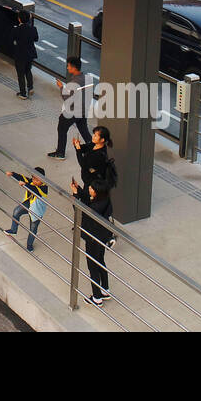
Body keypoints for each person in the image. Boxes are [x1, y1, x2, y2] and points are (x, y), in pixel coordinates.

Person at [74, 126, 117, 248]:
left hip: (95, 186)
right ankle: (84, 225)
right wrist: (78, 146)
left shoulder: (100, 154)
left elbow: (83, 164)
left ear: (102, 140)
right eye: (93, 134)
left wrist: (78, 150)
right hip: (89, 183)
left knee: (94, 210)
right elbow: (84, 148)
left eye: (96, 135)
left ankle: (109, 235)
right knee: (85, 206)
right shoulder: (93, 145)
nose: (93, 136)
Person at [74, 176, 114, 305]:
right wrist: (79, 190)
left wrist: (75, 196)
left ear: (96, 192)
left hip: (92, 237)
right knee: (100, 261)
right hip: (102, 236)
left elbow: (80, 210)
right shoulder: (104, 199)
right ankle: (105, 290)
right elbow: (88, 200)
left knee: (92, 266)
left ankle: (96, 297)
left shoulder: (95, 207)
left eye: (91, 188)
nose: (89, 189)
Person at [48, 58, 93, 159]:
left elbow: (67, 98)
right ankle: (93, 150)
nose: (67, 67)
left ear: (73, 67)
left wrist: (61, 87)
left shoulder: (74, 82)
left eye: (68, 66)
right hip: (83, 110)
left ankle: (60, 153)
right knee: (84, 131)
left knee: (62, 129)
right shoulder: (87, 78)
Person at [5, 167, 48, 252]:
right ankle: (13, 230)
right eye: (33, 179)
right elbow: (22, 178)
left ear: (43, 180)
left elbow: (35, 190)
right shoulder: (32, 182)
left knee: (33, 228)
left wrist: (25, 185)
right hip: (29, 203)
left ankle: (29, 245)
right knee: (16, 212)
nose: (34, 181)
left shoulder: (44, 188)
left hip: (37, 210)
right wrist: (13, 174)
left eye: (37, 180)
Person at [12, 11, 38, 99]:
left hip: (19, 55)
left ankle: (23, 93)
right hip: (30, 54)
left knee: (20, 74)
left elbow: (12, 39)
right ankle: (30, 87)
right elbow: (36, 39)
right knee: (28, 70)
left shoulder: (16, 30)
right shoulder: (33, 29)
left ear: (19, 19)